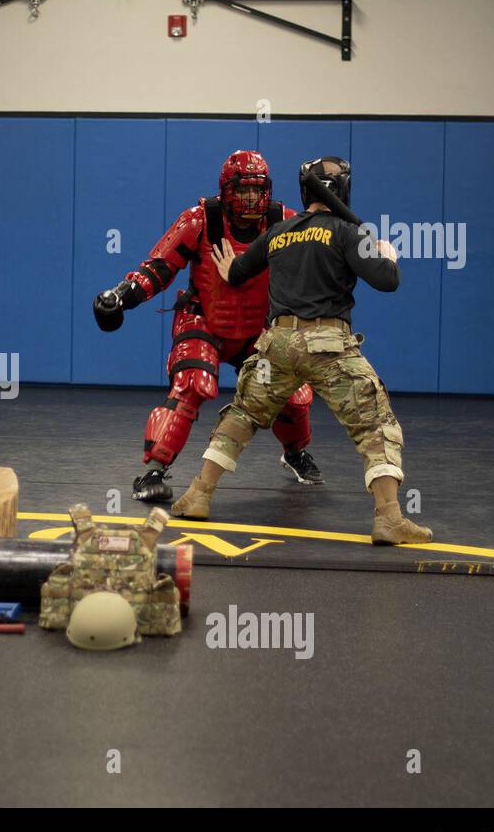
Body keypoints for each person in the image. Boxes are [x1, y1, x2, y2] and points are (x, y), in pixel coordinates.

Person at [171, 156, 433, 546]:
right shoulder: (346, 233)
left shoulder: (278, 233)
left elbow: (238, 272)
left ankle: (197, 495)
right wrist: (386, 254)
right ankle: (390, 518)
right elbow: (387, 281)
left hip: (275, 345)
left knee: (243, 414)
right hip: (328, 345)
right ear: (343, 190)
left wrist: (228, 270)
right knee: (375, 425)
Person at [93, 150, 319, 504]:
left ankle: (295, 453)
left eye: (256, 190)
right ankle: (152, 471)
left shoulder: (285, 223)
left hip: (255, 329)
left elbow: (318, 257)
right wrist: (123, 295)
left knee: (293, 394)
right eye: (242, 190)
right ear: (226, 191)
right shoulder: (199, 220)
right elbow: (158, 268)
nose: (249, 198)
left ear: (267, 191)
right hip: (204, 321)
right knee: (191, 386)